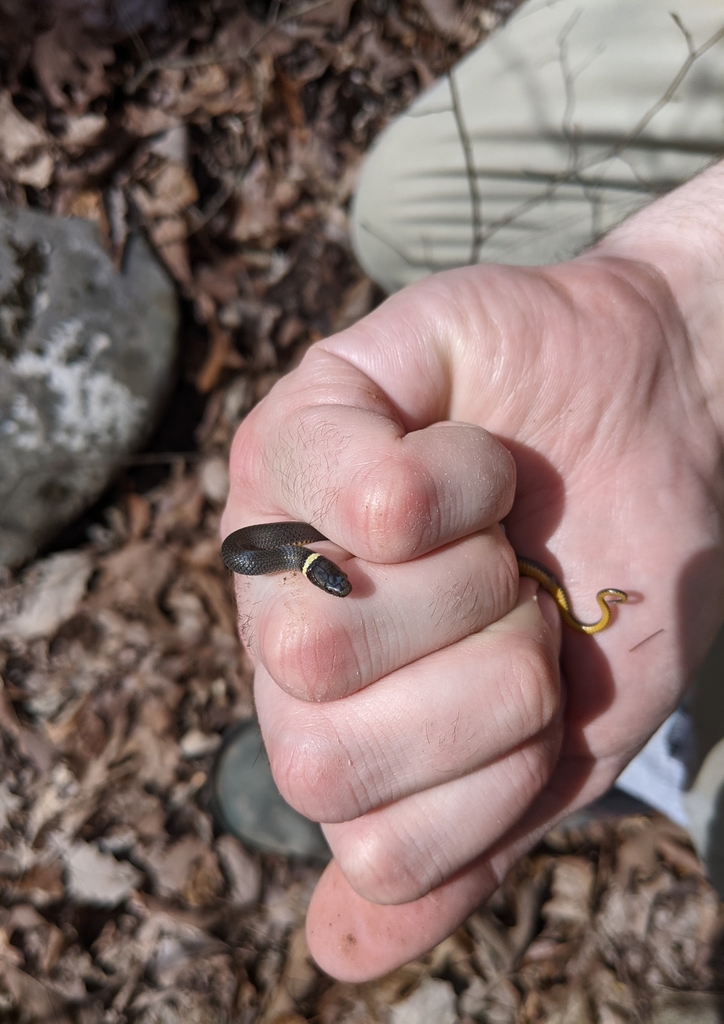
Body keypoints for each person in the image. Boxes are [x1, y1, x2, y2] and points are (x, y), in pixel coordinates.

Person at [219, 0, 724, 982]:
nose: (338, 578)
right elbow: (258, 553)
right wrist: (679, 315)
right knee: (403, 209)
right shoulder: (304, 554)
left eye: (328, 573)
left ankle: (683, 742)